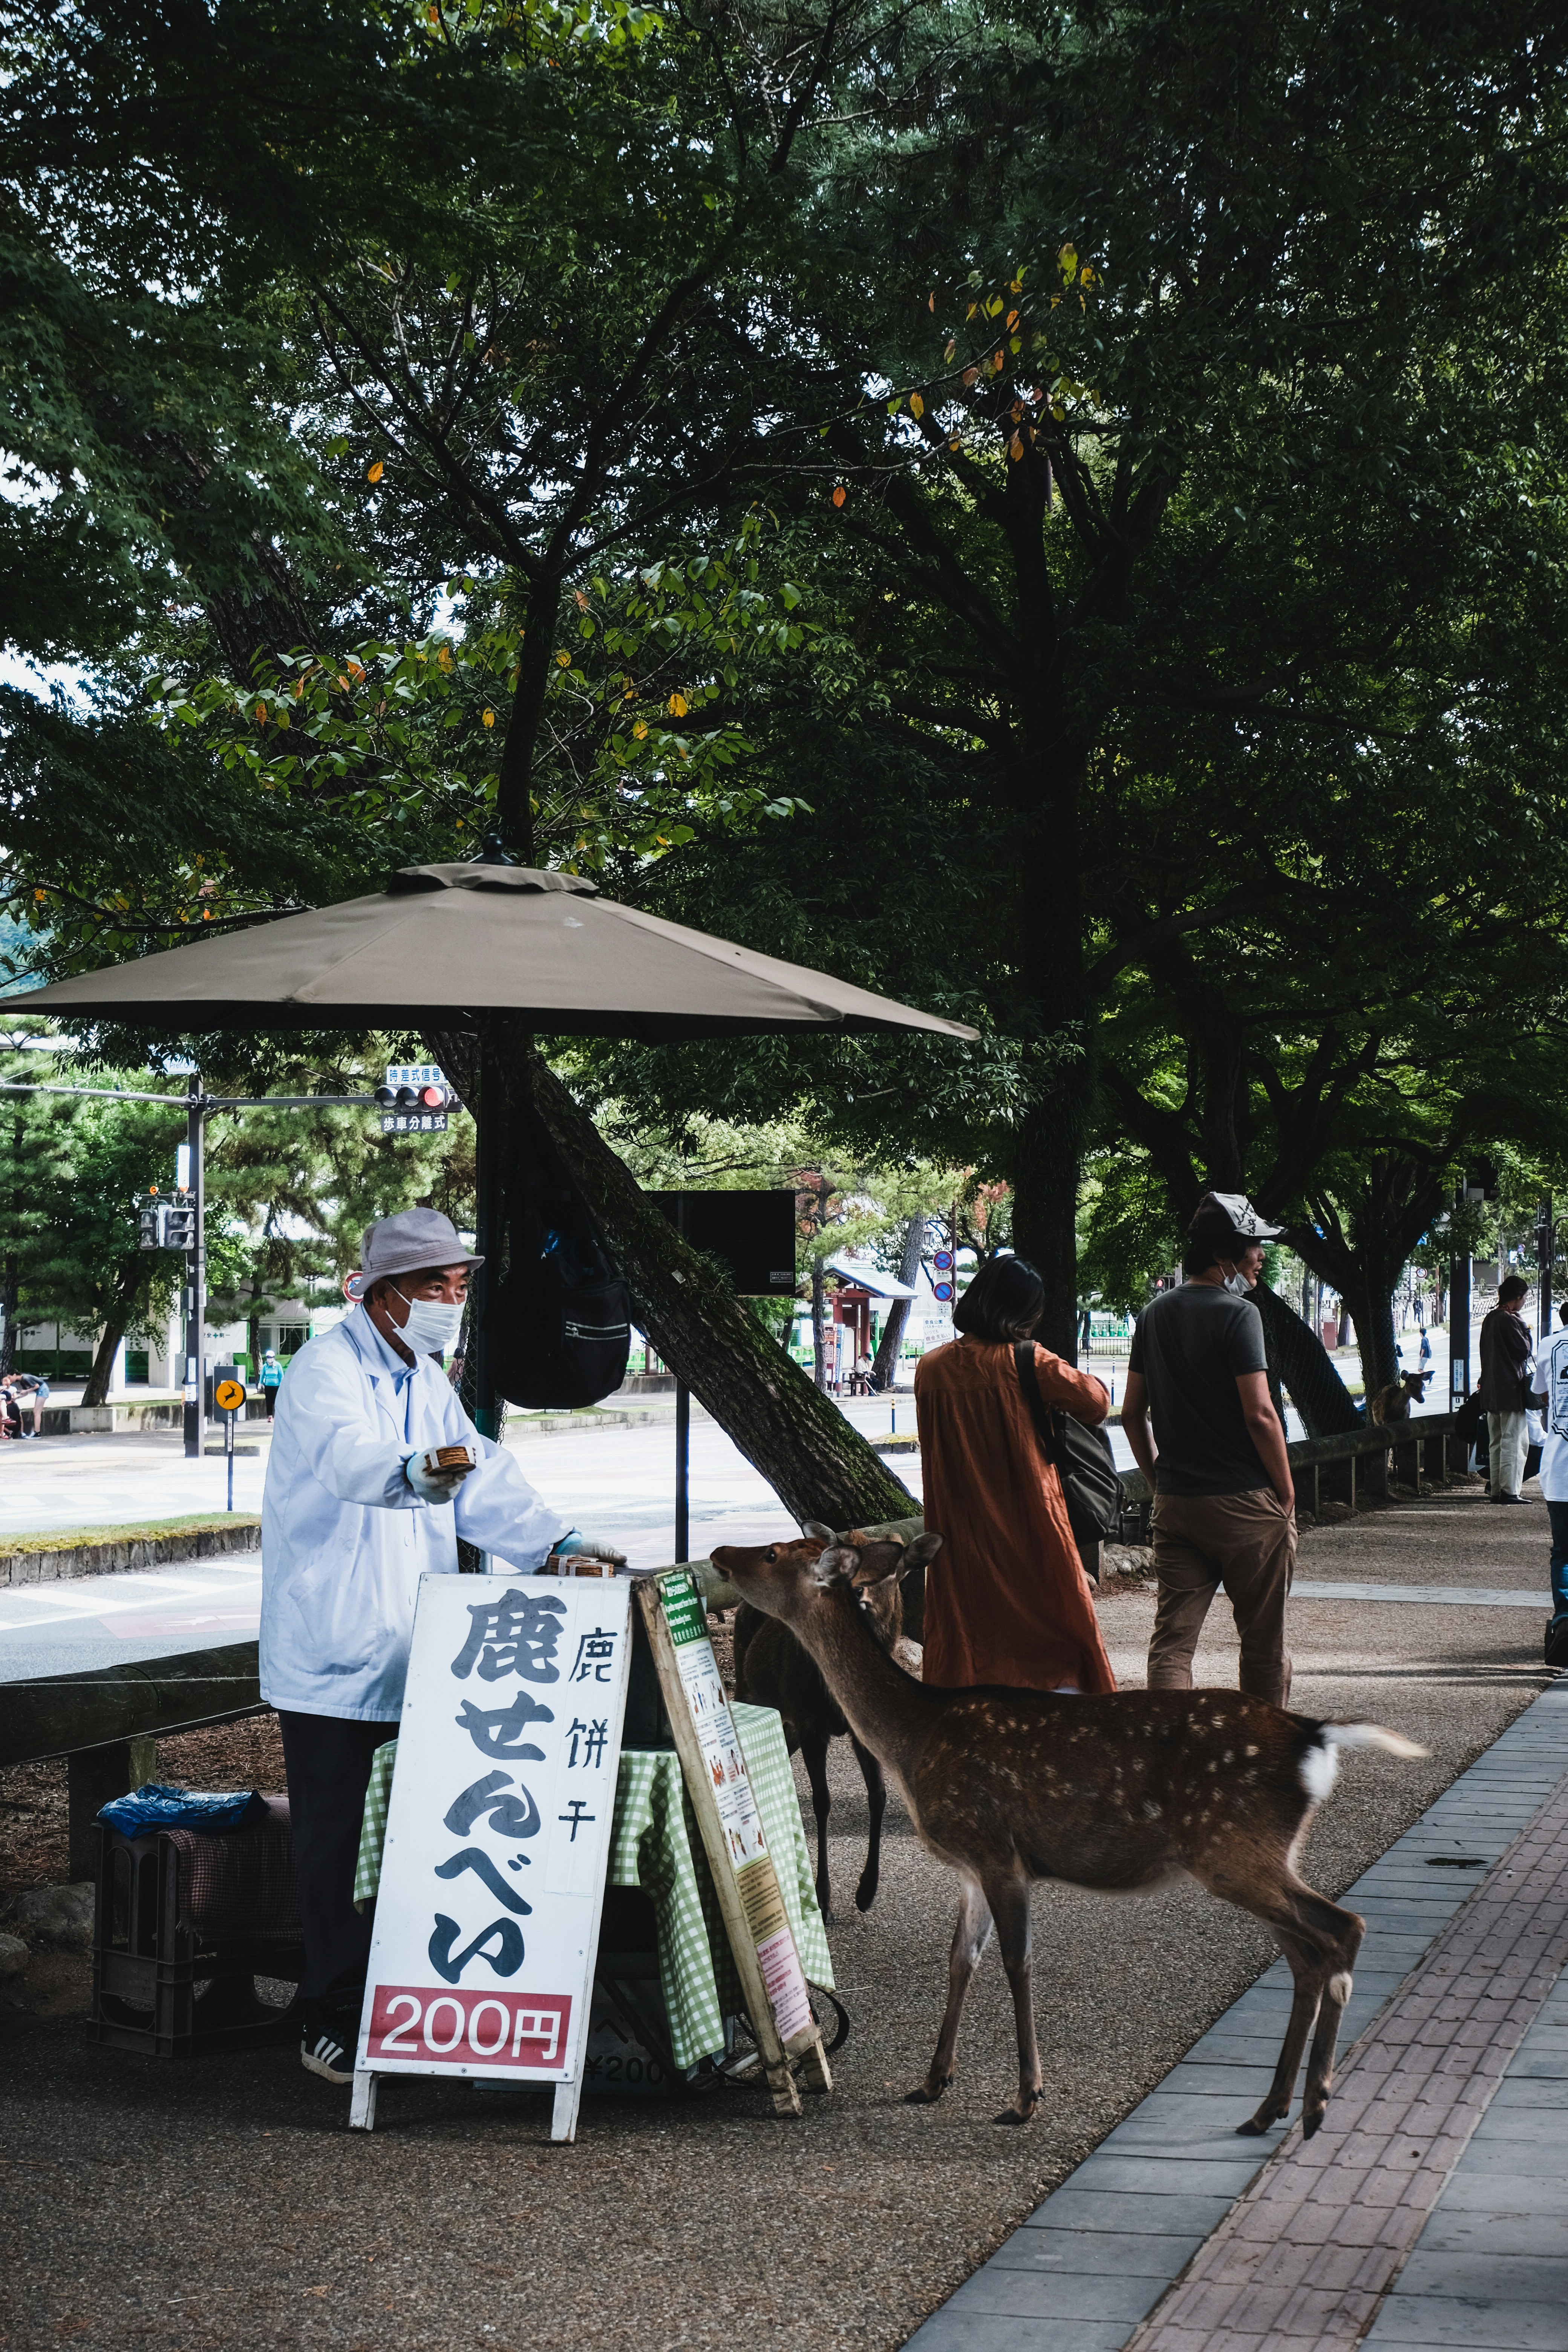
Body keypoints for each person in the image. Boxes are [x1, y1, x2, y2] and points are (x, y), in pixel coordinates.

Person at [260, 1207, 625, 2088]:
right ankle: (331, 2016)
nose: (449, 1301)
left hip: (415, 1649)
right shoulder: (325, 1370)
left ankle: (401, 2006)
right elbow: (353, 1460)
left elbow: (478, 1472)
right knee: (336, 1839)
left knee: (410, 1835)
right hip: (333, 1650)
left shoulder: (424, 1378)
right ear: (383, 1294)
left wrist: (553, 1539)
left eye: (459, 1286)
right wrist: (410, 1473)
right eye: (435, 1286)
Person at [1122, 1191, 1296, 1708]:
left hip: (1177, 1504)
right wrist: (1286, 1494)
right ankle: (1263, 1762)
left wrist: (1160, 1484)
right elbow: (1260, 1414)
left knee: (1172, 1645)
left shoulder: (1153, 1315)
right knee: (1263, 1647)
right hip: (1244, 1502)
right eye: (1253, 1248)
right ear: (1226, 1258)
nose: (1261, 1257)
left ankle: (1169, 1761)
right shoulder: (1239, 1315)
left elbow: (1132, 1413)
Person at [913, 1254, 1115, 1695]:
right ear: (1025, 1312)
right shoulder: (1027, 1360)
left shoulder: (929, 1368)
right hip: (1030, 1523)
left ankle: (970, 1719)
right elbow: (1096, 1404)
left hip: (959, 1531)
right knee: (1055, 1623)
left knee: (968, 1633)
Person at [1529, 1300, 1568, 1668]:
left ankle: (1564, 1618)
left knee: (1562, 1551)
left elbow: (1539, 1392)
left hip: (1559, 1466)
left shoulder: (1549, 1346)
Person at [1479, 1274, 1533, 1503]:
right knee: (1515, 1440)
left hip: (1491, 1390)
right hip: (1510, 1389)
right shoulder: (1510, 1320)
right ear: (1518, 1297)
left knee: (1496, 1441)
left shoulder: (1490, 1318)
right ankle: (1510, 1490)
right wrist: (1524, 1327)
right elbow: (1524, 1351)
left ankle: (1496, 1488)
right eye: (1524, 1298)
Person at [1, 1371, 47, 1438]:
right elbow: (25, 1393)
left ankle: (37, 1432)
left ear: (14, 1375)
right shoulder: (22, 1381)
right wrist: (18, 1397)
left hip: (43, 1390)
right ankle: (34, 1432)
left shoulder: (25, 1378)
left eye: (9, 1377)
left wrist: (26, 1391)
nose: (9, 1379)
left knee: (37, 1412)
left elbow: (36, 1386)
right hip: (41, 1391)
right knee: (36, 1412)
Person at [258, 1349, 283, 1416]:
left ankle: (278, 1415)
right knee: (268, 1401)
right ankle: (270, 1416)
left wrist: (282, 1386)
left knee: (275, 1401)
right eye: (268, 1358)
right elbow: (262, 1376)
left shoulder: (278, 1366)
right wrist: (260, 1386)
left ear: (274, 1358)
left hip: (276, 1386)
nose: (269, 1359)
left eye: (271, 1358)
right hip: (268, 1386)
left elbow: (281, 1376)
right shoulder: (265, 1366)